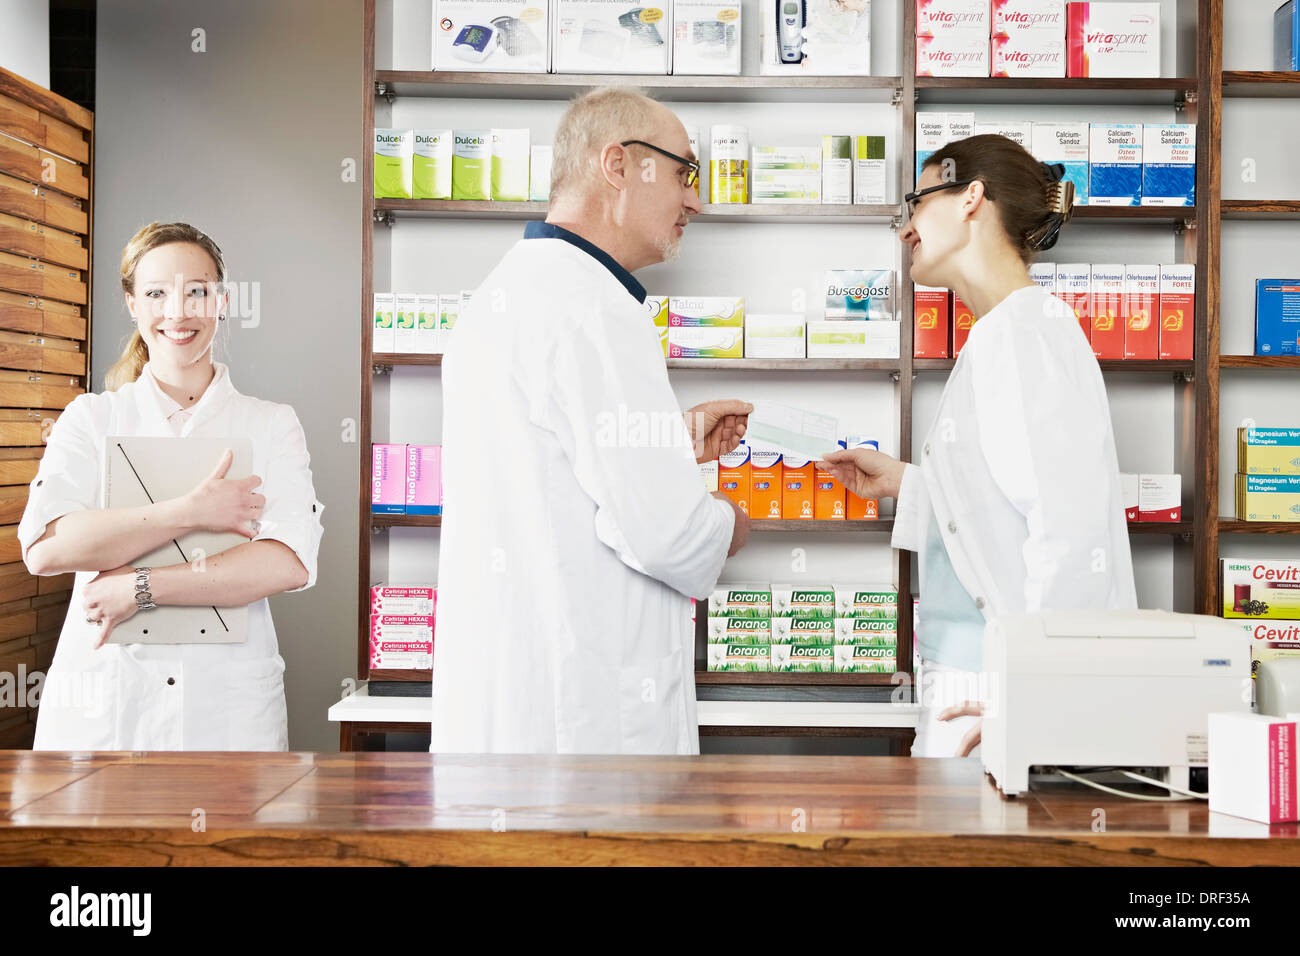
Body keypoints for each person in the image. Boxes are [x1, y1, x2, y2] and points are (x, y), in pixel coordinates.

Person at [432, 87, 752, 755]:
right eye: (683, 171)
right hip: (582, 722)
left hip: (514, 708)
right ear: (619, 165)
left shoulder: (510, 292)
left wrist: (663, 444)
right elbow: (668, 535)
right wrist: (731, 523)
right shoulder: (595, 307)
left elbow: (553, 468)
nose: (696, 199)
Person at [820, 135, 1137, 759]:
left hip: (1001, 685)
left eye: (917, 200)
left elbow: (1071, 534)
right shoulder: (1002, 333)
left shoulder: (1027, 334)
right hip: (973, 674)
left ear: (971, 197)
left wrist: (1033, 696)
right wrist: (904, 485)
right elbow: (1000, 513)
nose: (906, 227)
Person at [19, 221, 324, 751]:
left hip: (226, 710)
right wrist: (190, 511)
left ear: (222, 302)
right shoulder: (91, 419)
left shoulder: (272, 424)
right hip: (107, 705)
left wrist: (138, 589)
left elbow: (287, 561)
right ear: (133, 304)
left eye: (197, 292)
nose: (177, 312)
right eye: (157, 293)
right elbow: (46, 549)